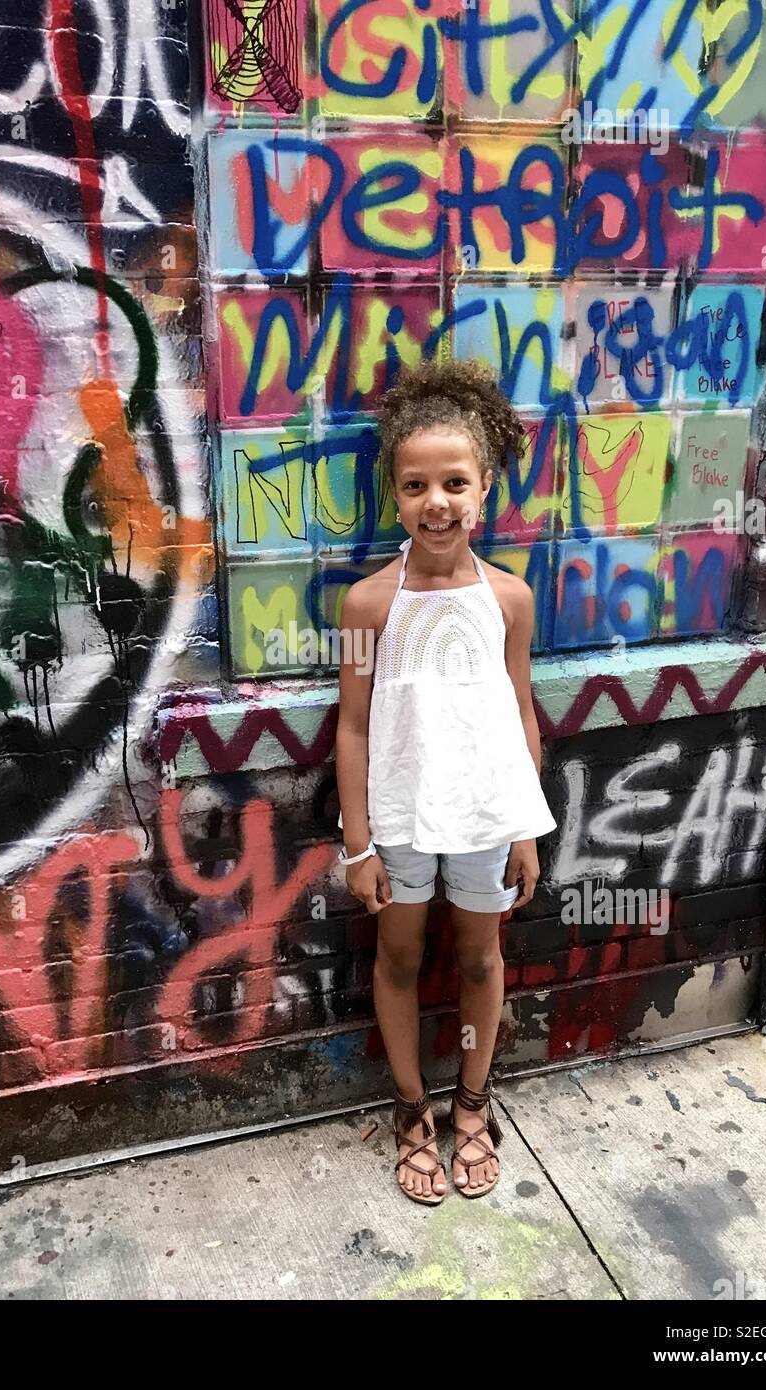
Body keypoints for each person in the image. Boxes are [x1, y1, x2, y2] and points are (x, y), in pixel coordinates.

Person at [334, 360, 557, 1205]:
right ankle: (409, 1110)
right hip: (397, 824)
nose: (437, 502)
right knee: (398, 959)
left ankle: (471, 1103)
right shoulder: (367, 607)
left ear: (484, 488)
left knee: (477, 958)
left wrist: (525, 827)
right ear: (394, 494)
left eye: (454, 482)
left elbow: (519, 716)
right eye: (416, 484)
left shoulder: (509, 600)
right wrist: (358, 844)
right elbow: (351, 727)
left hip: (484, 821)